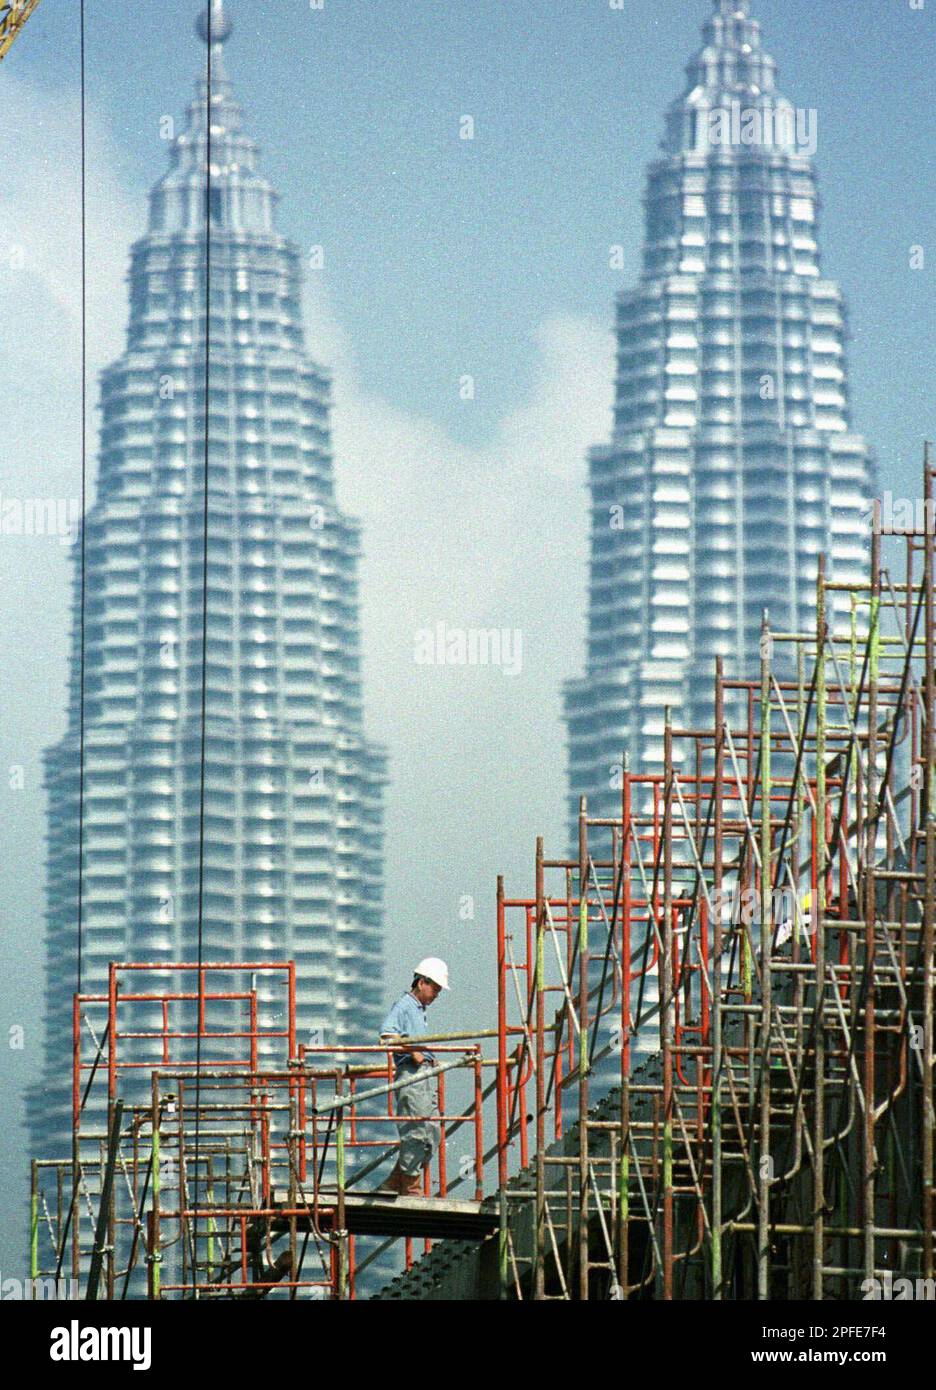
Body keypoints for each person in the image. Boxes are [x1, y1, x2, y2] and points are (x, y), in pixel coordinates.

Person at [377, 957, 450, 1196]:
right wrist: (413, 1051)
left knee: (432, 1132)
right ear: (421, 983)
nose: (436, 995)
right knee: (416, 1130)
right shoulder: (405, 1006)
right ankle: (410, 1185)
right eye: (435, 989)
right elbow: (387, 1036)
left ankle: (397, 1179)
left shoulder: (418, 1010)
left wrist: (427, 1056)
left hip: (423, 1076)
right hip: (412, 1074)